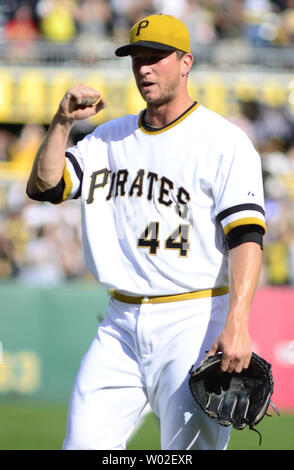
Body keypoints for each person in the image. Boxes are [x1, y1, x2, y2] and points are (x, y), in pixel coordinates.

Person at [26, 14, 266, 451]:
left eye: (156, 57)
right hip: (120, 322)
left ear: (186, 62)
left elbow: (247, 237)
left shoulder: (223, 142)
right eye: (137, 58)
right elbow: (45, 186)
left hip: (193, 319)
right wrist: (62, 122)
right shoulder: (107, 138)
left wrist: (238, 323)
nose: (144, 68)